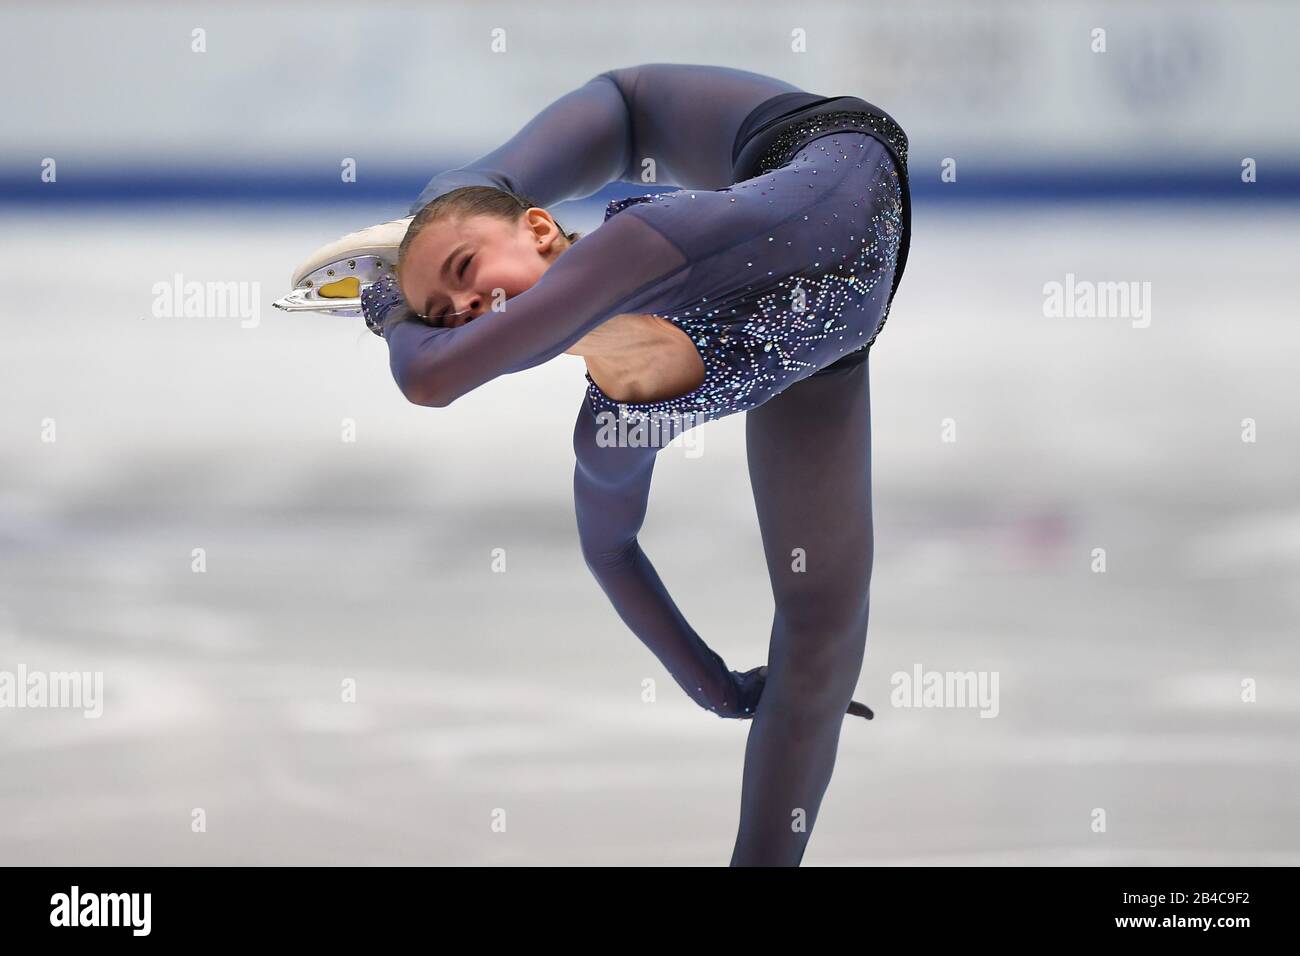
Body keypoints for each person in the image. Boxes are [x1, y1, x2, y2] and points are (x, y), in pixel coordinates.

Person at [360, 62, 910, 866]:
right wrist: (719, 687)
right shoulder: (614, 425)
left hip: (825, 151)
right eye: (446, 315)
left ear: (543, 232)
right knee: (823, 621)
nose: (466, 311)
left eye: (464, 272)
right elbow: (609, 549)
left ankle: (465, 189)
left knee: (582, 130)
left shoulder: (637, 247)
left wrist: (392, 314)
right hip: (821, 352)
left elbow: (428, 378)